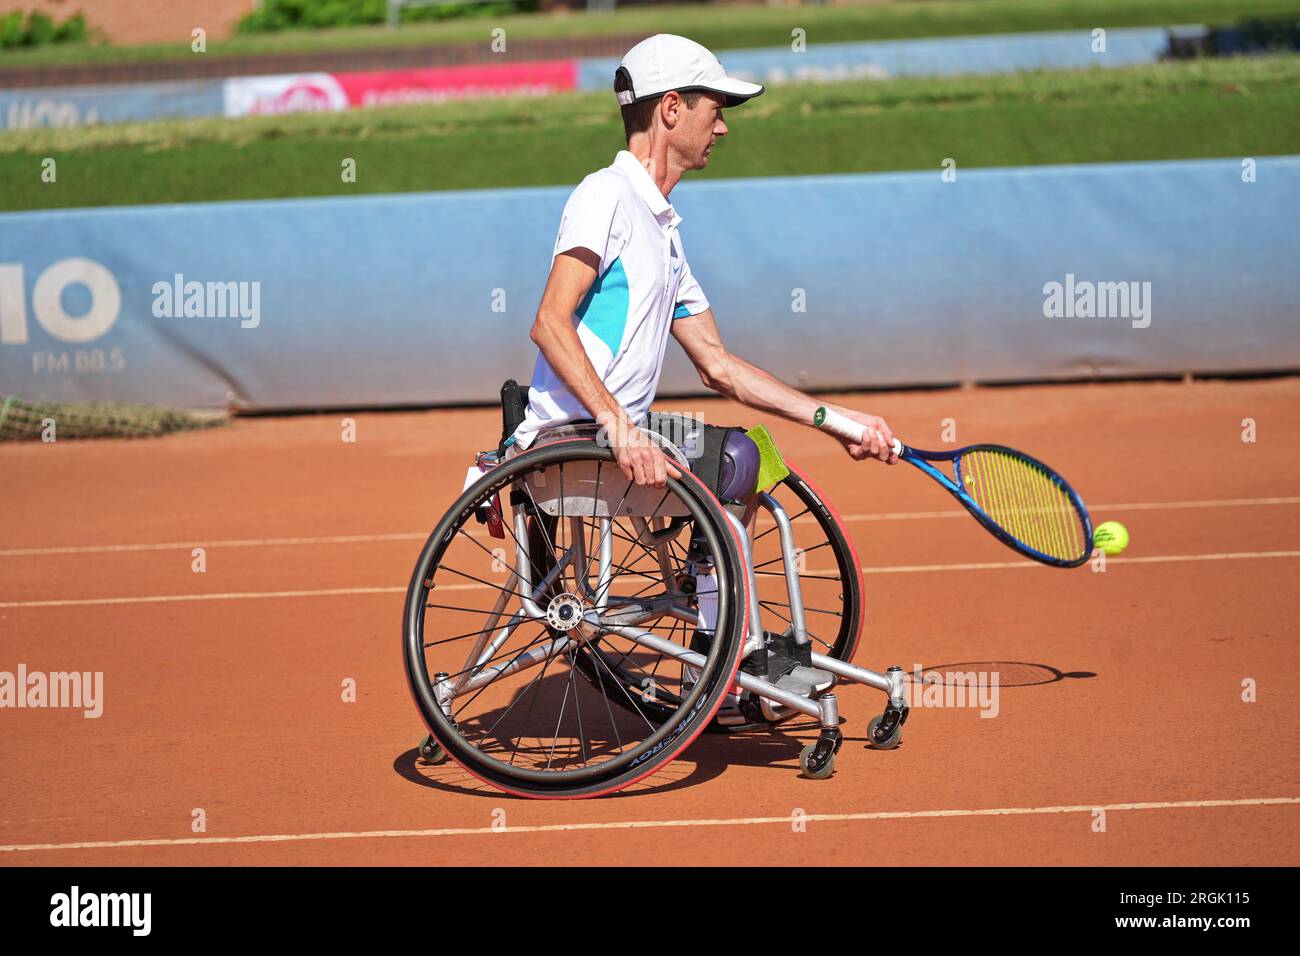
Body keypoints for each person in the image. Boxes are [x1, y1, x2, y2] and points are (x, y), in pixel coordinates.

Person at [510, 33, 899, 489]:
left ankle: (711, 564)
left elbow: (719, 367)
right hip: (574, 437)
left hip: (613, 432)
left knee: (759, 458)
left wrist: (834, 420)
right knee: (738, 456)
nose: (723, 128)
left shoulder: (664, 234)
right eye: (716, 111)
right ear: (672, 108)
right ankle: (707, 565)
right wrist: (620, 429)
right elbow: (549, 323)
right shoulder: (606, 193)